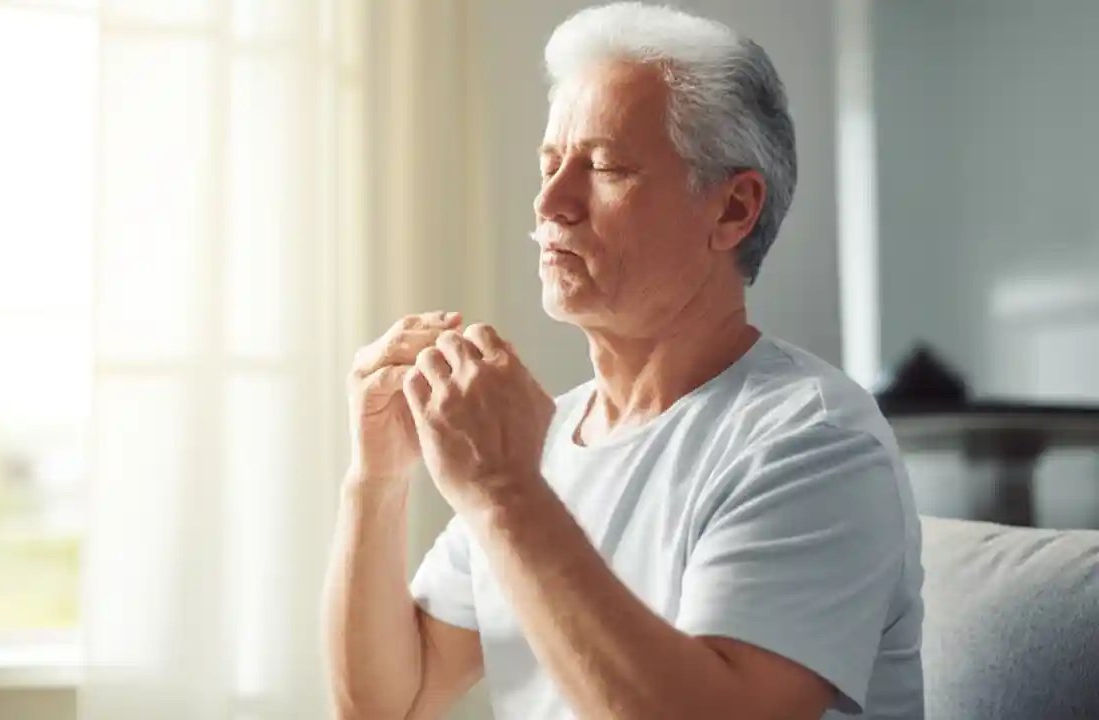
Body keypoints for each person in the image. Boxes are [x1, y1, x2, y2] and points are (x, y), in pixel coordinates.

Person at [322, 3, 924, 718]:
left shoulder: (813, 442)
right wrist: (377, 479)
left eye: (605, 168)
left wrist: (504, 491)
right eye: (549, 166)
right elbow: (389, 702)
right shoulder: (540, 440)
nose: (550, 203)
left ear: (733, 210)